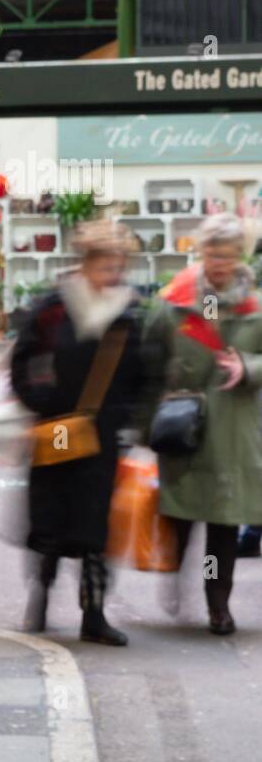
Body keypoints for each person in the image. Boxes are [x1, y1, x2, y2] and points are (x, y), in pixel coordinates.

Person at [10, 221, 149, 644]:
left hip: (102, 435)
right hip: (55, 426)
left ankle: (94, 614)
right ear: (86, 264)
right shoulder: (54, 309)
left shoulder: (127, 316)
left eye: (118, 266)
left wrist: (127, 421)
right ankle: (41, 597)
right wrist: (38, 400)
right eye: (105, 265)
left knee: (96, 525)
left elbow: (140, 376)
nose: (113, 274)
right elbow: (22, 361)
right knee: (51, 515)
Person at [144, 214, 262, 635]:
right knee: (180, 518)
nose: (220, 262)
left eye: (228, 254)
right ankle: (174, 574)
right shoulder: (175, 301)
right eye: (213, 253)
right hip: (185, 425)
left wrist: (248, 367)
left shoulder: (256, 304)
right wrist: (153, 402)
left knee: (222, 525)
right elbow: (150, 352)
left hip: (231, 428)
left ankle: (218, 602)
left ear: (240, 256)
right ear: (201, 251)